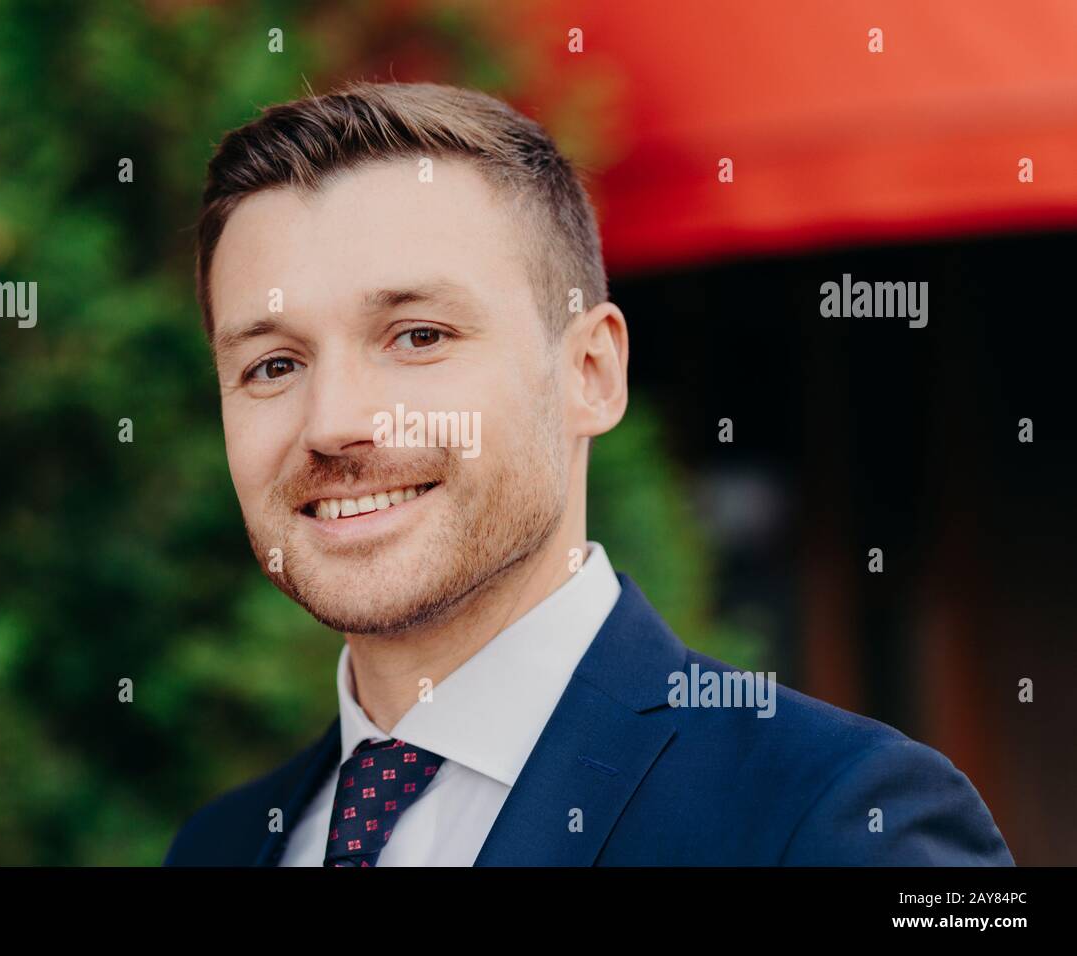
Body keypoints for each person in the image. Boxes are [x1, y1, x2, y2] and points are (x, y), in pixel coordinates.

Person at [164, 81, 1013, 866]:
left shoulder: (847, 820)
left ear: (591, 373)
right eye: (273, 365)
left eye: (418, 336)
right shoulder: (220, 849)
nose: (335, 422)